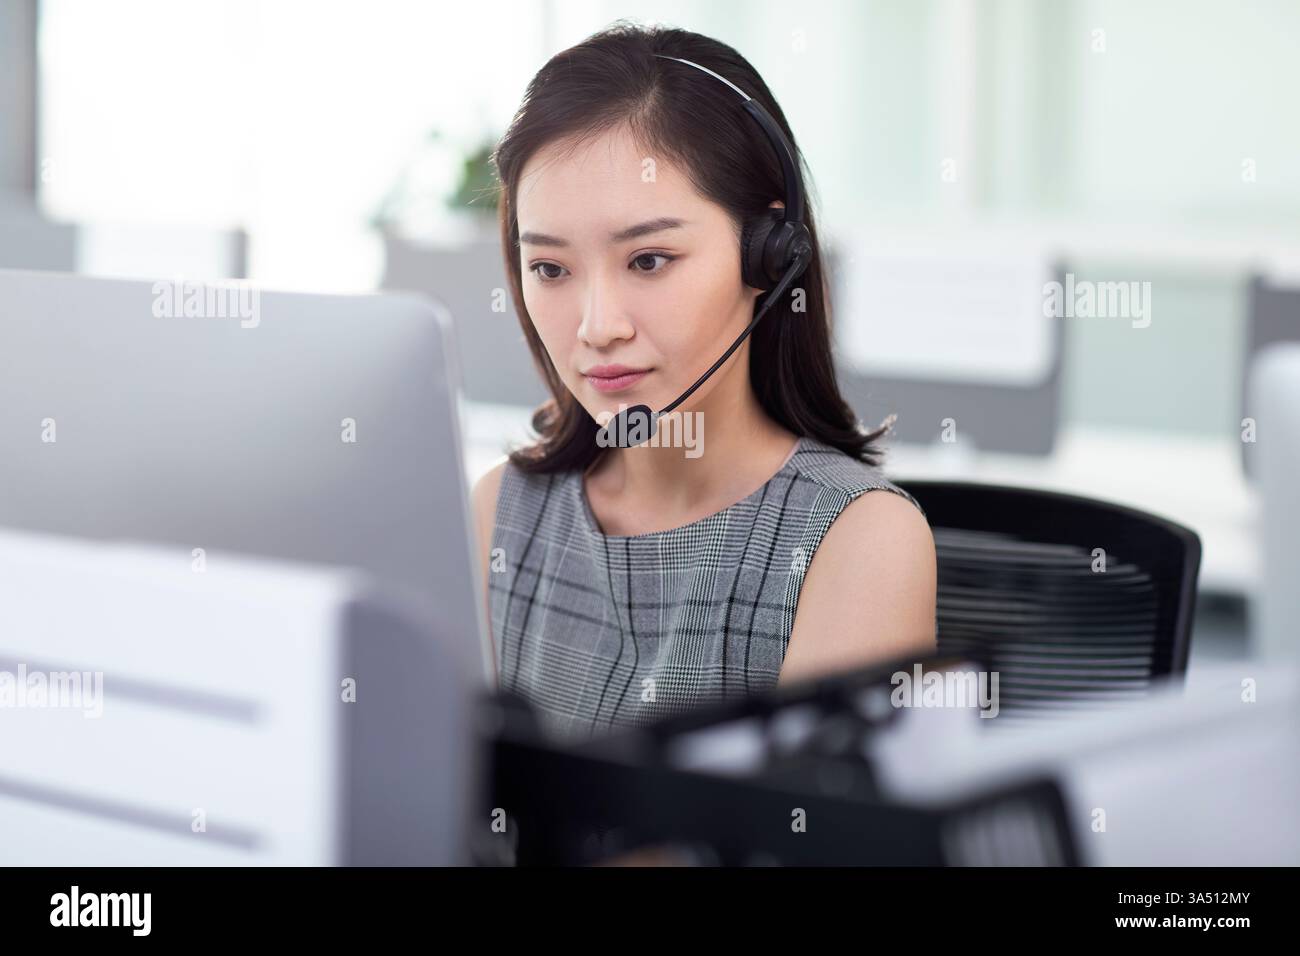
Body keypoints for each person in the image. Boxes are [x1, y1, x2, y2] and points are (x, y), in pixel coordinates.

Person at [472, 21, 935, 742]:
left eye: (649, 260)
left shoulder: (857, 541)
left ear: (768, 257)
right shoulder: (502, 510)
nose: (598, 326)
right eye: (551, 269)